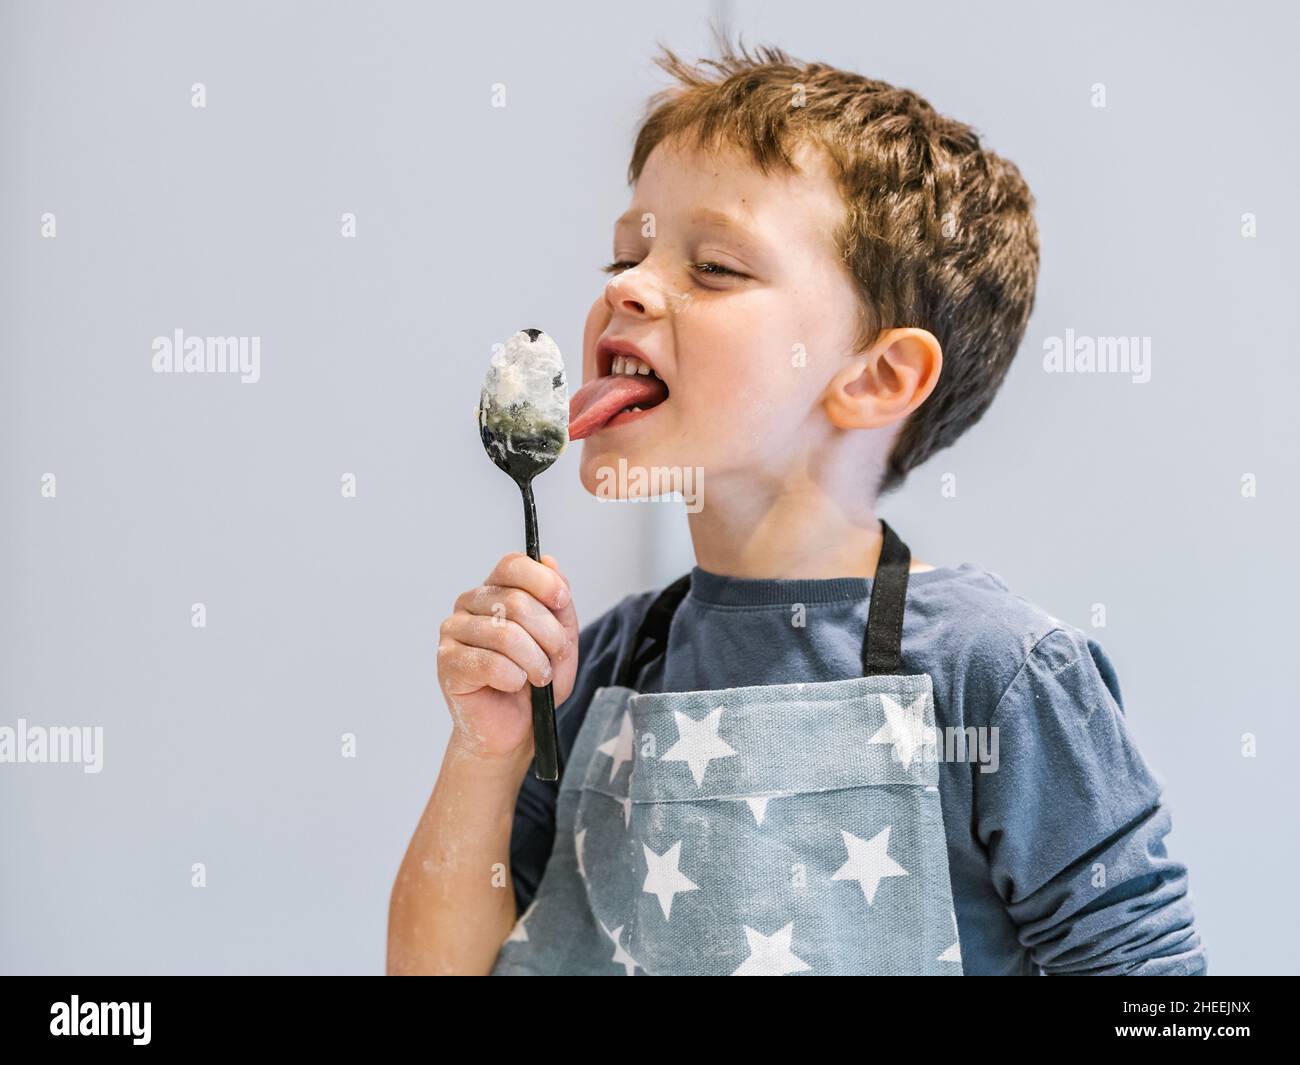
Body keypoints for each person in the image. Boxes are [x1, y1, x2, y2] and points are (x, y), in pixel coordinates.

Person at [387, 35, 1206, 976]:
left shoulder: (1002, 677)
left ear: (877, 377)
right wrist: (486, 752)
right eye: (626, 255)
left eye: (715, 268)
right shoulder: (600, 668)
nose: (627, 289)